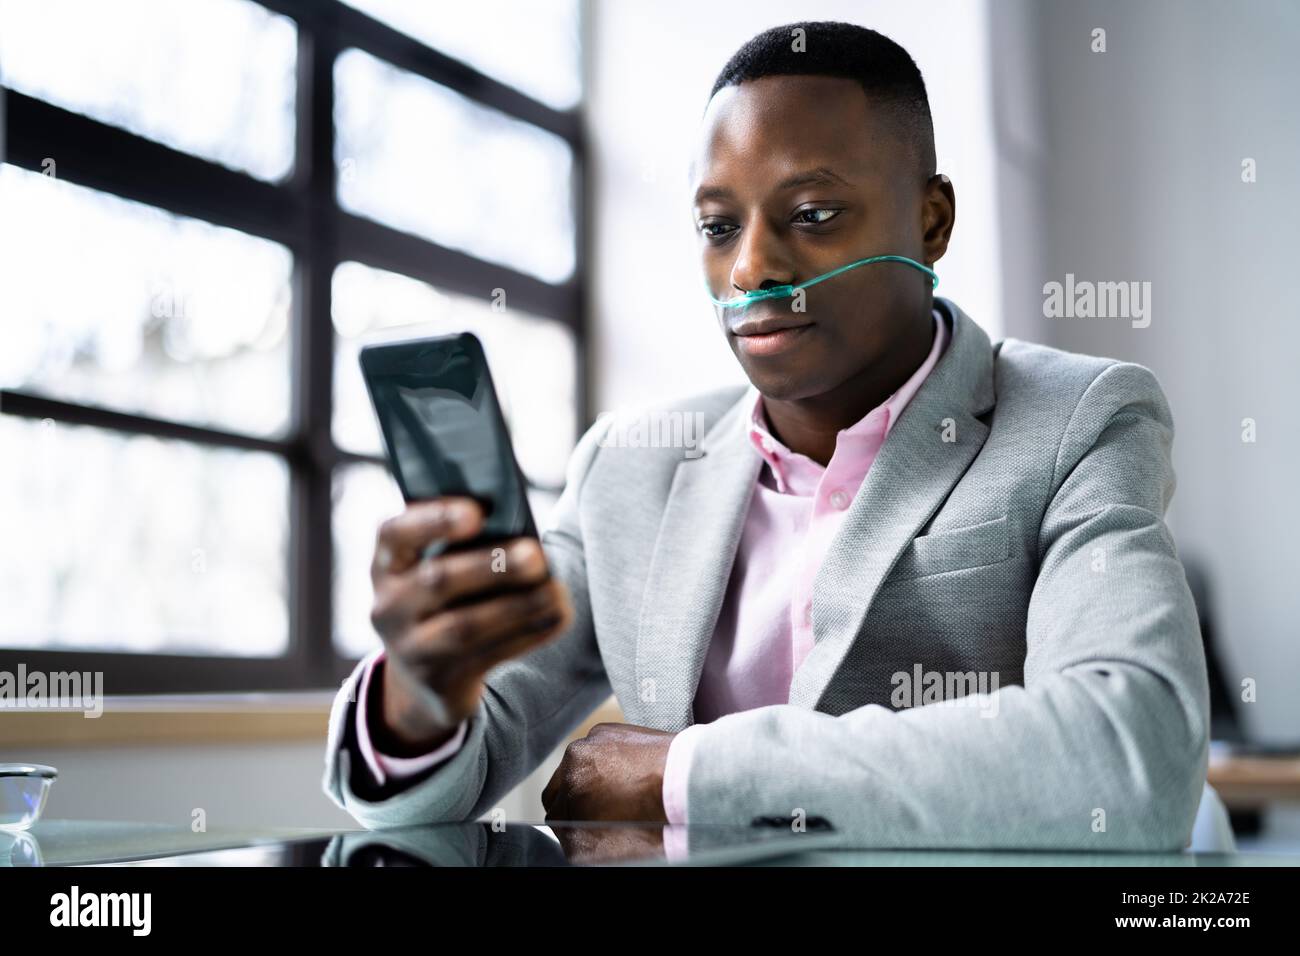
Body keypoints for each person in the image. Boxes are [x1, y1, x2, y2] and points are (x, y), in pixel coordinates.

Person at [322, 21, 1209, 851]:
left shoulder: (1078, 418)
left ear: (931, 221)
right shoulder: (628, 469)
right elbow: (442, 788)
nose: (750, 270)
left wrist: (688, 771)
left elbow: (1134, 754)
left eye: (814, 214)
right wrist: (416, 698)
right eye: (718, 226)